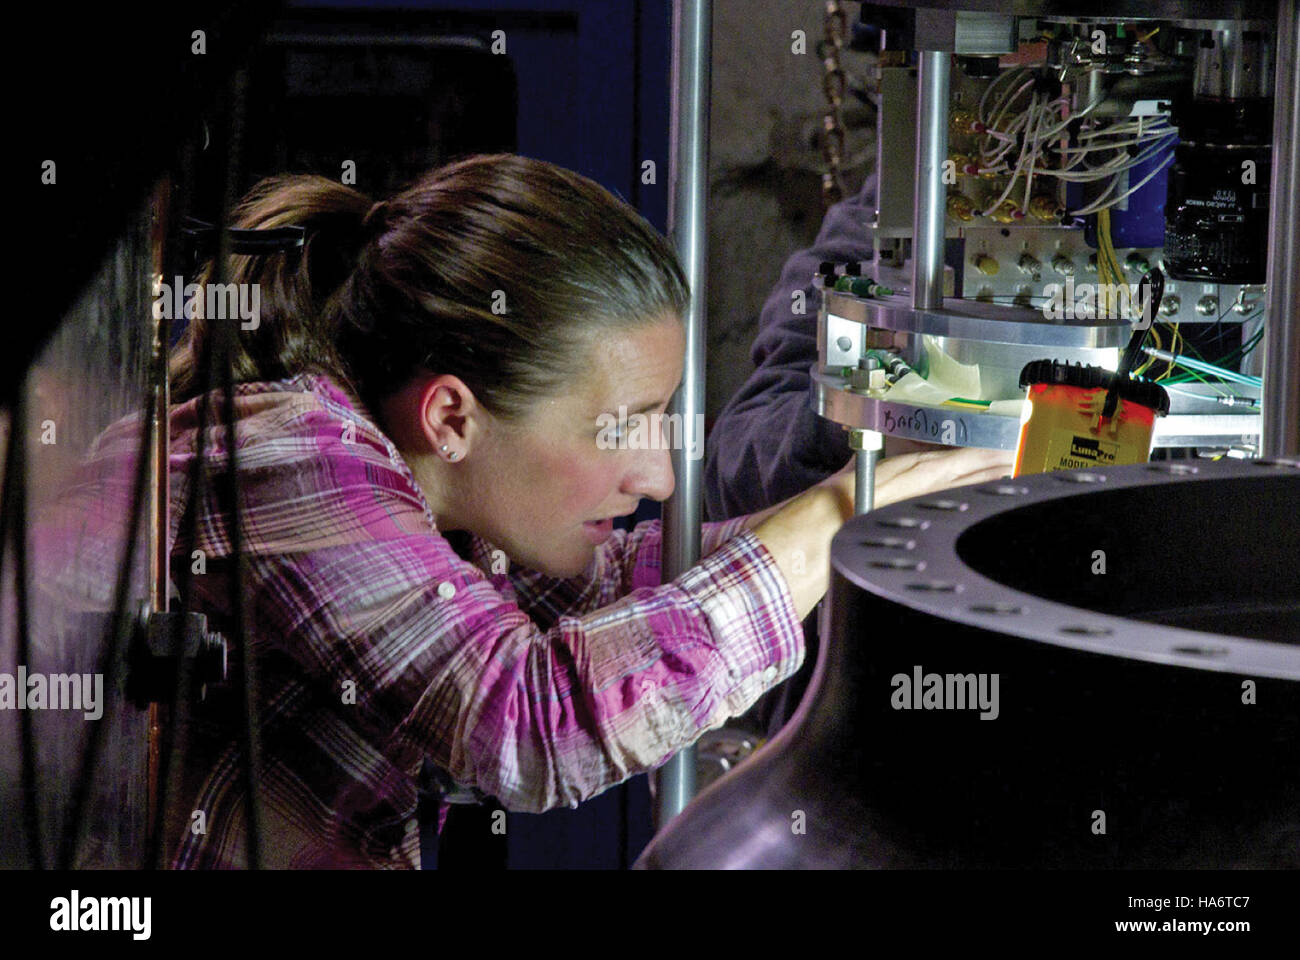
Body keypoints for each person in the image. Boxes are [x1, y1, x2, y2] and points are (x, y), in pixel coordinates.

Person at [99, 154, 1010, 868]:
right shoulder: (284, 452)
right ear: (453, 416)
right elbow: (535, 725)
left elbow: (626, 591)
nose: (658, 475)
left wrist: (891, 514)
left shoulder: (445, 500)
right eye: (623, 427)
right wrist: (838, 507)